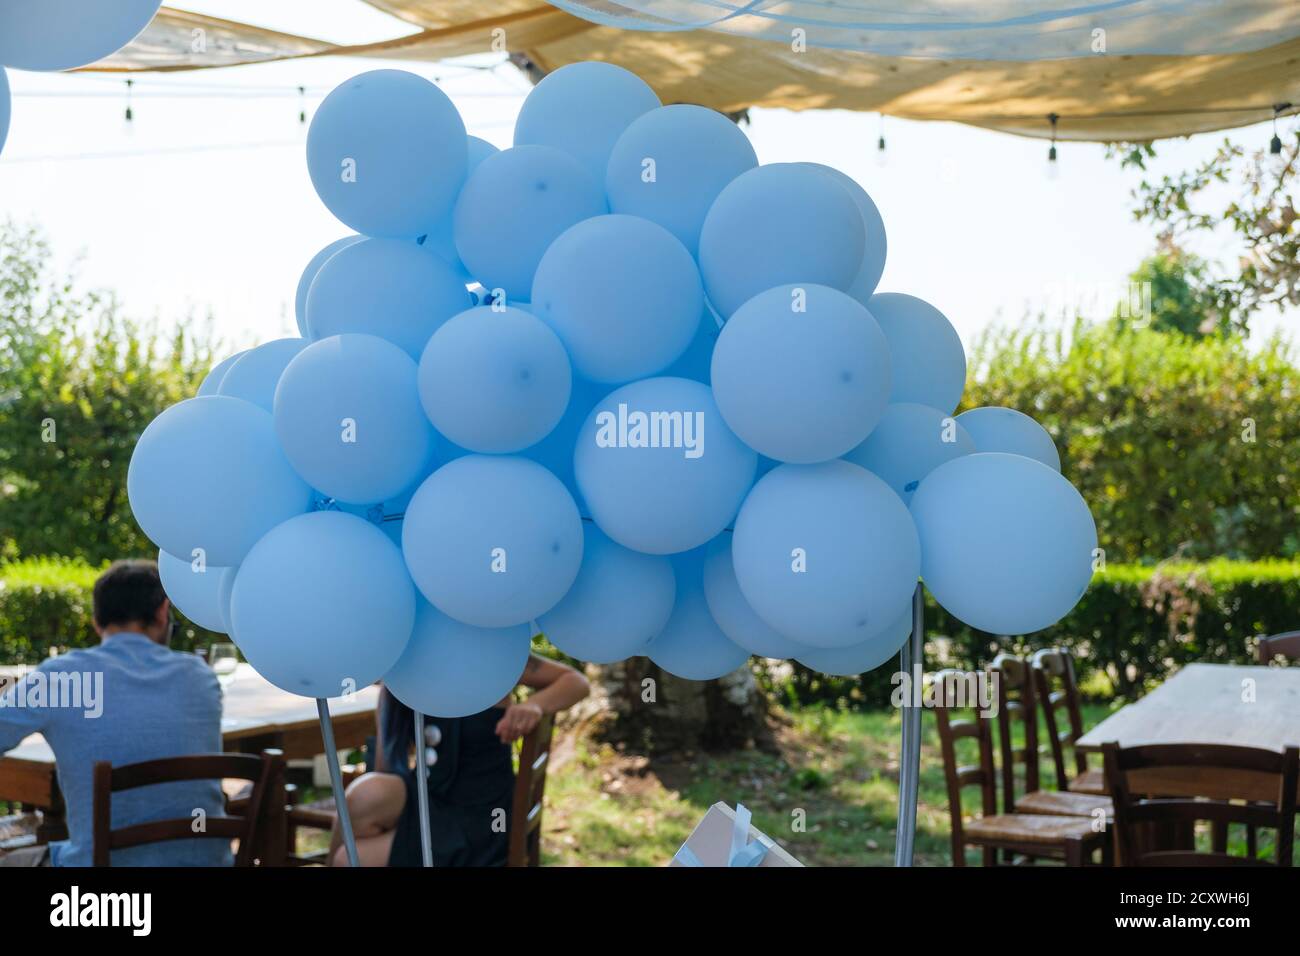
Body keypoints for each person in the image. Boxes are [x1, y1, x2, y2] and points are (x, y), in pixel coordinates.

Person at [0, 560, 231, 867]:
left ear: (97, 621)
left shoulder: (63, 678)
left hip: (107, 888)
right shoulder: (201, 677)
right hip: (207, 863)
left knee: (14, 860)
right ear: (163, 612)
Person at [330, 654, 590, 867]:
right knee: (362, 794)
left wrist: (535, 705)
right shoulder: (403, 660)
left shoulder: (492, 654)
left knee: (347, 858)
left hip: (484, 818)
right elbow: (386, 769)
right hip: (427, 799)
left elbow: (576, 682)